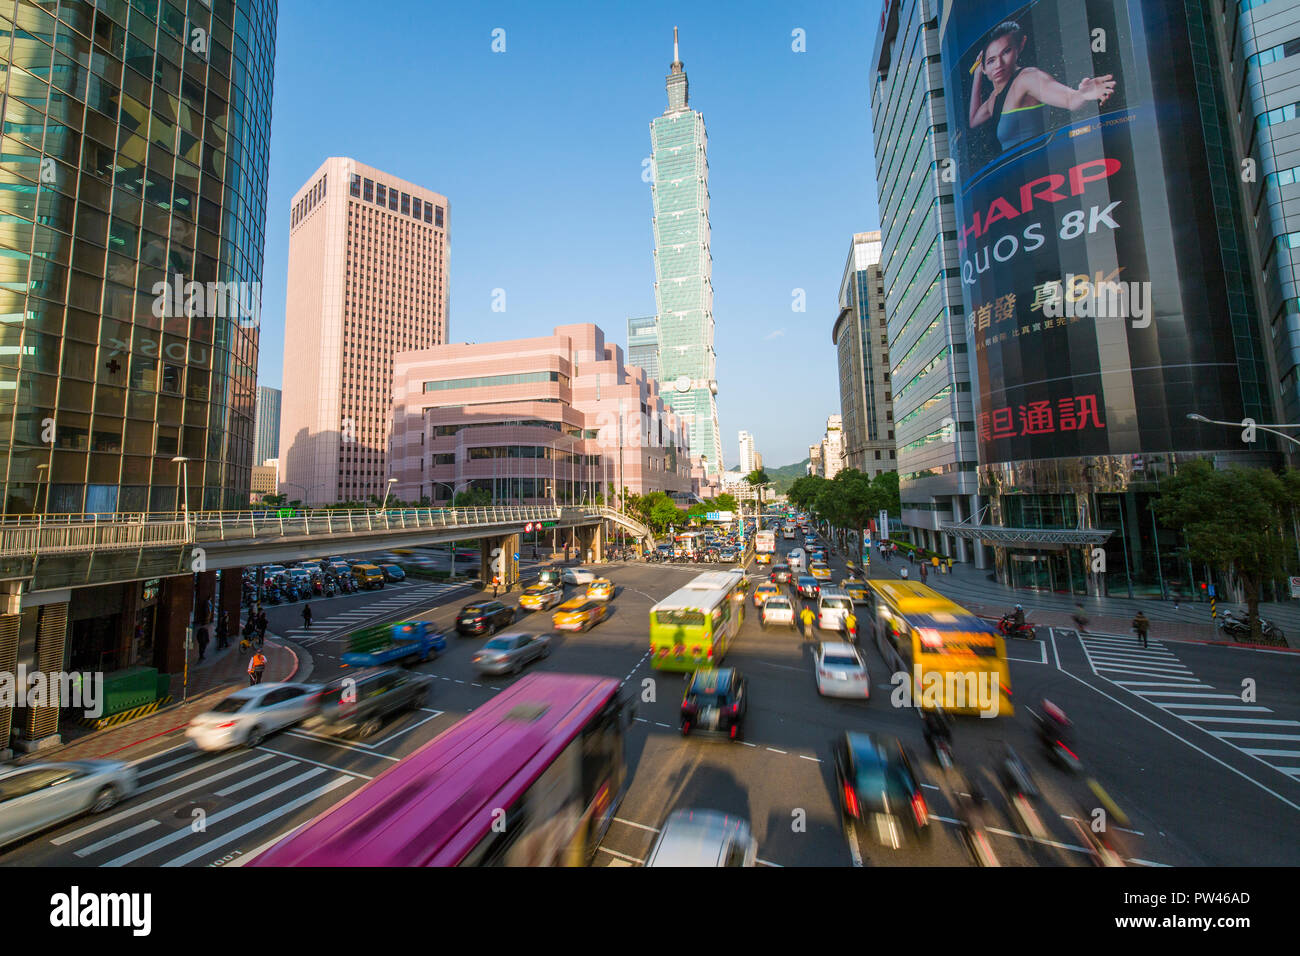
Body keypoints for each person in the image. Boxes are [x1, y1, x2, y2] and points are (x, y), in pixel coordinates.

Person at [968, 19, 1116, 155]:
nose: (999, 64)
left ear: (1019, 47)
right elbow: (973, 120)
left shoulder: (1027, 78)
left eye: (1006, 52)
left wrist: (1083, 94)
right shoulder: (994, 98)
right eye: (991, 61)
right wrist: (977, 76)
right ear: (984, 68)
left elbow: (1070, 100)